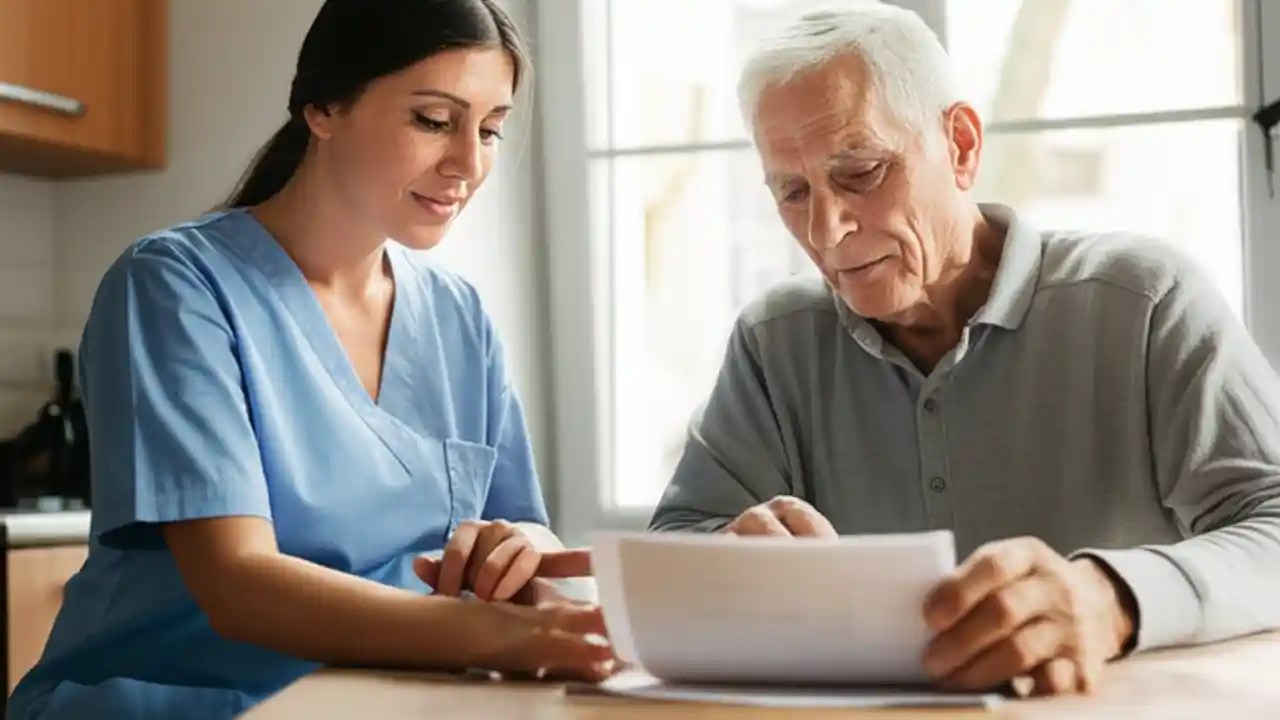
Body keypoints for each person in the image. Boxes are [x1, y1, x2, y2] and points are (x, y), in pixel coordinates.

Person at [650, 4, 1280, 697]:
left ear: (960, 146)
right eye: (793, 192)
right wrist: (733, 562)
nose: (825, 230)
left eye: (860, 171)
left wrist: (1112, 598)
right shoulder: (774, 342)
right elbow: (680, 543)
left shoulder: (1147, 302)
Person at [9, 2, 609, 718]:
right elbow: (239, 585)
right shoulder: (176, 284)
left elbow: (528, 539)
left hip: (373, 700)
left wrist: (523, 556)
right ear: (321, 107)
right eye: (433, 120)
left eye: (489, 129)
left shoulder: (460, 317)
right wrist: (501, 635)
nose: (469, 165)